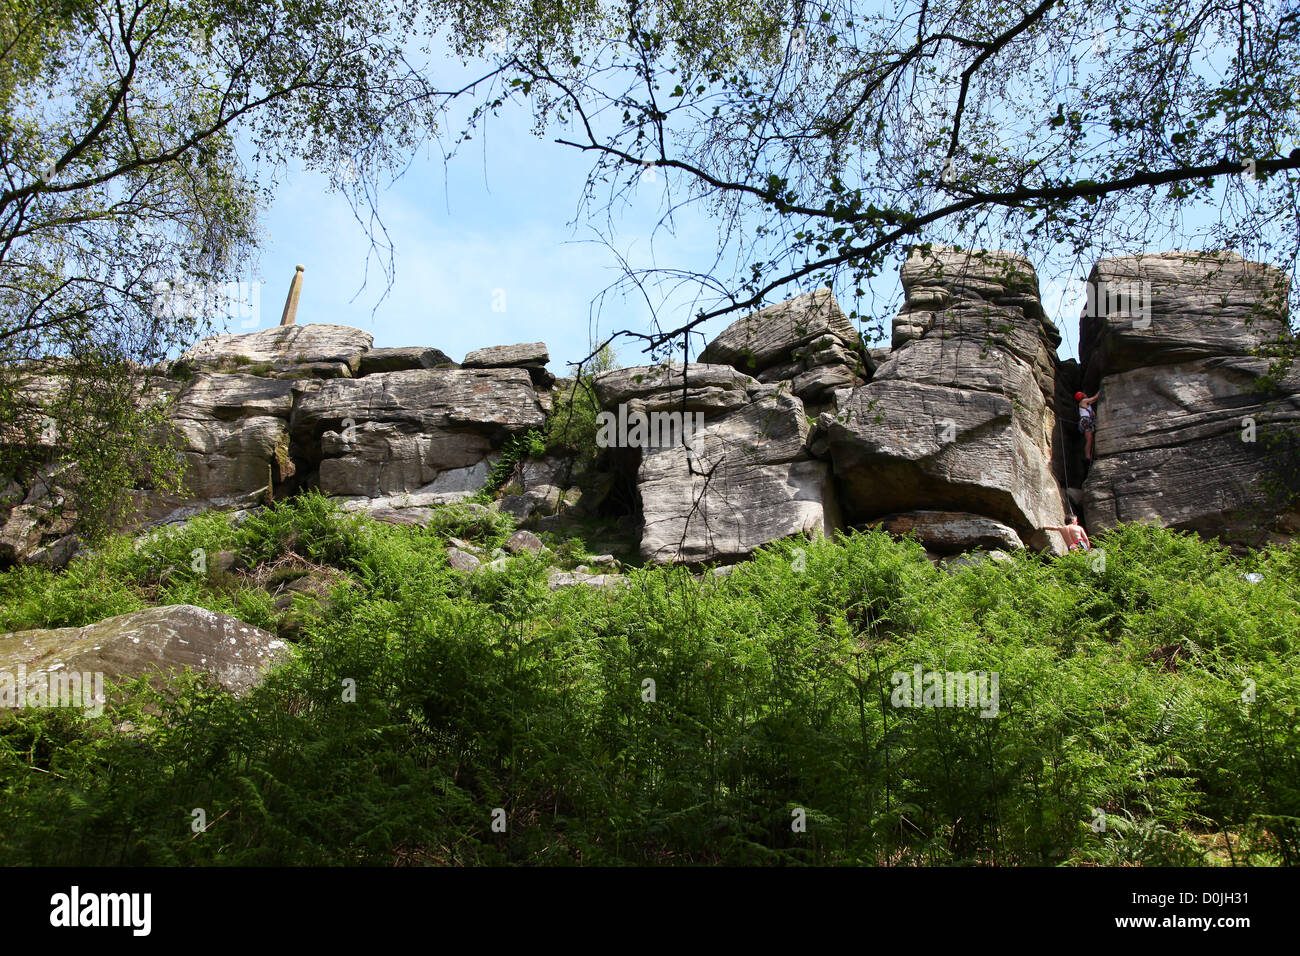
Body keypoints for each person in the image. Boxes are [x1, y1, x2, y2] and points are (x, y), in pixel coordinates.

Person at [1075, 390, 1100, 461]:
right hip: (1086, 421)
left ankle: (1088, 456)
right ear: (1083, 396)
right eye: (1084, 394)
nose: (1086, 394)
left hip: (1085, 422)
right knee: (1089, 439)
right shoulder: (1084, 401)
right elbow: (1095, 398)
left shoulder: (1086, 403)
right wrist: (1102, 387)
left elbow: (1094, 400)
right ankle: (1087, 456)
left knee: (1090, 439)